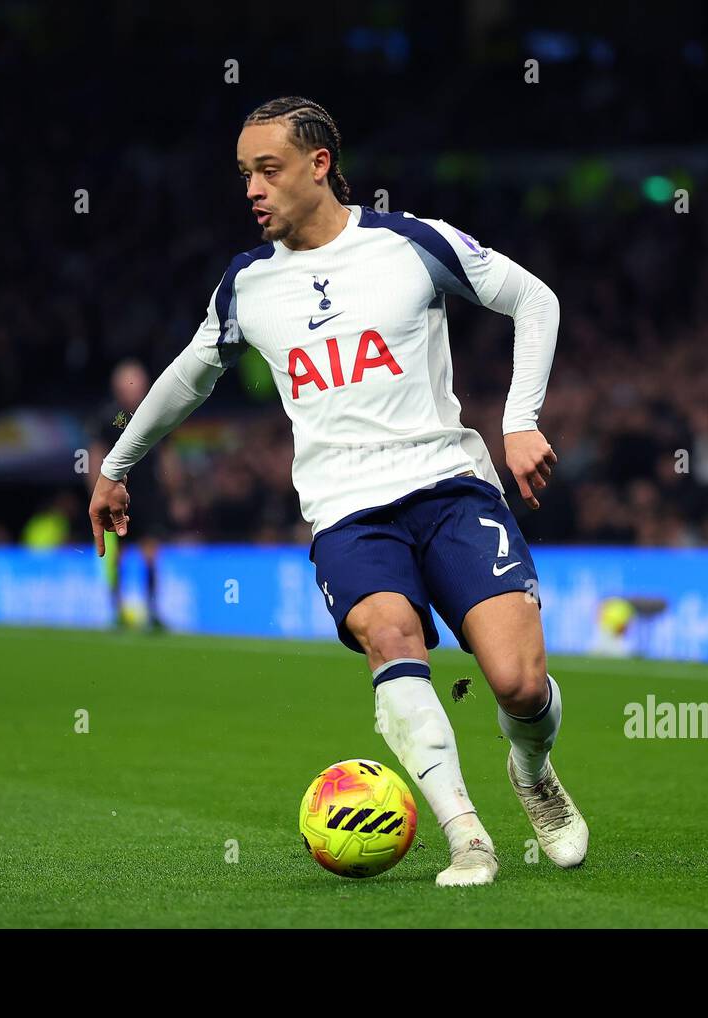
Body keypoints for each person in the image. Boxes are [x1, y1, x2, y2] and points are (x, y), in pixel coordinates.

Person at [88, 96, 586, 886]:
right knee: (393, 639)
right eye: (244, 174)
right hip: (346, 512)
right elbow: (189, 373)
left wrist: (519, 421)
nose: (252, 189)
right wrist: (116, 465)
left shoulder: (408, 243)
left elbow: (535, 298)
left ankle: (533, 772)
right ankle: (467, 837)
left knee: (519, 684)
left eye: (268, 170)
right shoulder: (247, 284)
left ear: (320, 165)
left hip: (449, 487)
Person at [86, 359, 172, 629]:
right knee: (118, 555)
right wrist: (95, 490)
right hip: (117, 496)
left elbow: (167, 456)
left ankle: (152, 610)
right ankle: (117, 609)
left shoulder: (156, 414)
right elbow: (96, 455)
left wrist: (172, 489)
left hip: (148, 496)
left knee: (150, 553)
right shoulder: (110, 418)